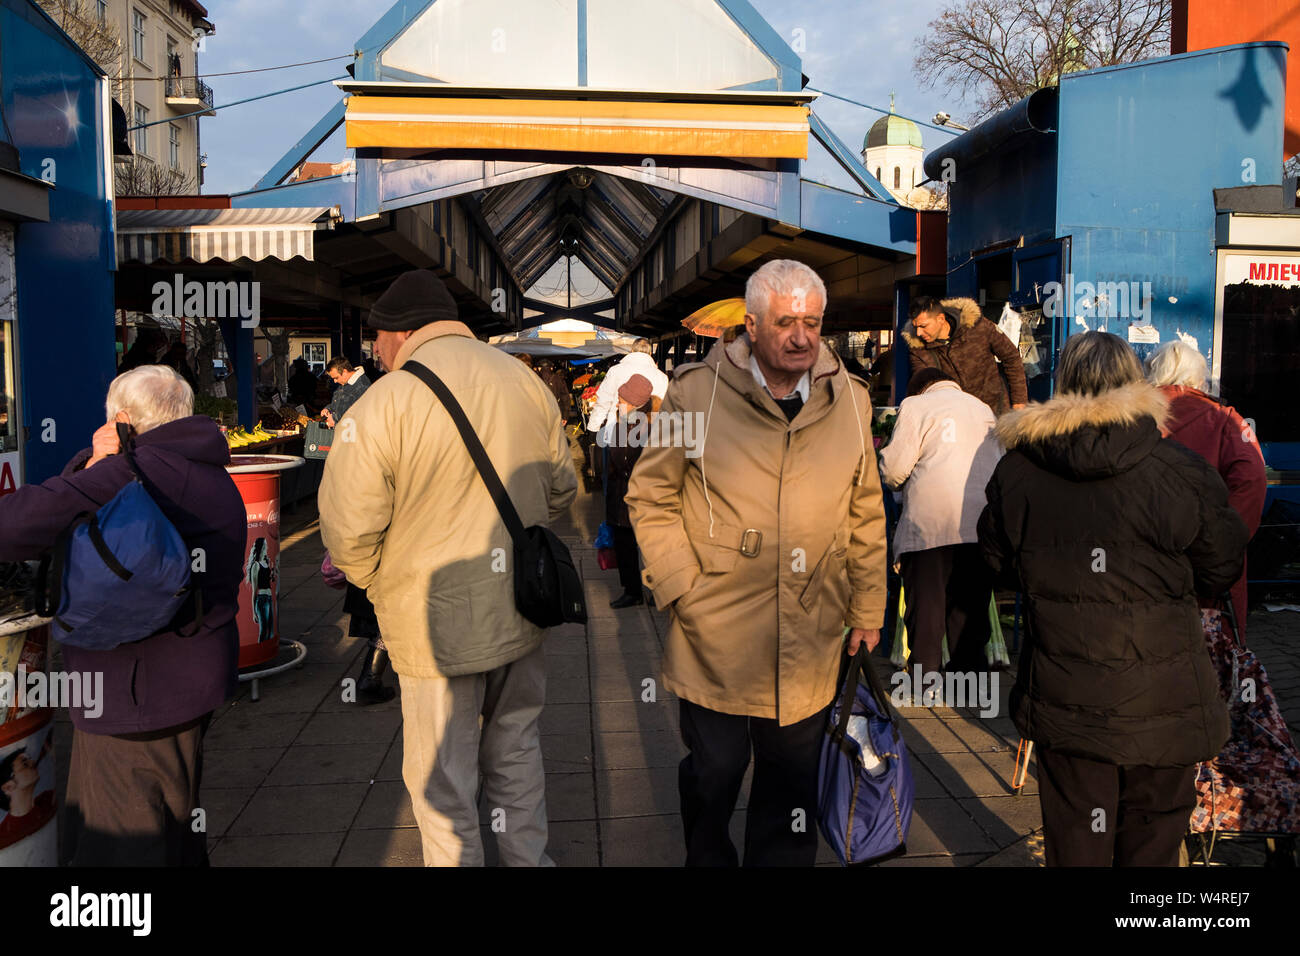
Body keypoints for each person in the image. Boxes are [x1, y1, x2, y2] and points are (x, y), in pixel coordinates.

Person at [626, 258, 888, 867]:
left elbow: (866, 511)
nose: (801, 337)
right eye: (786, 322)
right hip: (714, 628)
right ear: (751, 324)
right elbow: (650, 495)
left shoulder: (849, 400)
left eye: (813, 322)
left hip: (812, 631)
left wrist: (868, 607)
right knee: (714, 772)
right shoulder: (696, 393)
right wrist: (681, 587)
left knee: (791, 784)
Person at [318, 269, 577, 867]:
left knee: (444, 778)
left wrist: (384, 587)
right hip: (521, 608)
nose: (375, 349)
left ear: (402, 333)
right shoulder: (524, 380)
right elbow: (562, 487)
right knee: (515, 754)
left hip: (432, 624)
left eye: (378, 336)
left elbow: (348, 527)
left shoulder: (383, 401)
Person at [978, 331, 1248, 867]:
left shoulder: (1019, 472)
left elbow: (997, 563)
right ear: (1135, 385)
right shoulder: (1179, 471)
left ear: (1062, 385)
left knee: (1077, 835)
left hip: (1066, 694)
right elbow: (1222, 564)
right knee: (1151, 843)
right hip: (1164, 697)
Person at [0, 365, 246, 866]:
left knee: (123, 842)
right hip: (188, 681)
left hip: (136, 693)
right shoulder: (203, 464)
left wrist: (96, 461)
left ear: (124, 421)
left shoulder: (139, 471)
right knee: (170, 825)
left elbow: (19, 524)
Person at [879, 368, 1002, 678]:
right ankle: (969, 684)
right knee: (970, 609)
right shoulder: (983, 409)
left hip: (929, 527)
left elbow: (894, 469)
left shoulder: (916, 406)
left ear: (920, 389)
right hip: (978, 525)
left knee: (927, 608)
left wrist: (896, 486)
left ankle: (923, 681)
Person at [1145, 340, 1266, 637]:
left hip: (1146, 563)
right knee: (1211, 658)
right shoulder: (1226, 420)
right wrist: (1222, 541)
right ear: (1199, 378)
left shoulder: (1134, 419)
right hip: (1210, 571)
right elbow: (1253, 480)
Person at [903, 295, 1028, 415]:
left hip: (995, 412)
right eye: (916, 327)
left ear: (941, 319)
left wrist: (1019, 403)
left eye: (923, 326)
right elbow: (925, 386)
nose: (919, 332)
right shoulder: (918, 349)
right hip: (953, 420)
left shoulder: (978, 327)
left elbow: (1011, 357)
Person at [604, 373, 656, 609]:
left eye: (621, 399)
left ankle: (638, 591)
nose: (617, 403)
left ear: (634, 402)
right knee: (633, 544)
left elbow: (622, 459)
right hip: (625, 496)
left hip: (634, 496)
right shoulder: (629, 422)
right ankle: (638, 590)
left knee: (641, 545)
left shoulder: (641, 425)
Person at [587, 338, 669, 442]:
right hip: (649, 434)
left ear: (632, 351)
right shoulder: (662, 377)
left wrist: (593, 428)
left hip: (617, 432)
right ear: (650, 354)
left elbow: (603, 401)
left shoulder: (615, 371)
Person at [322, 355, 371, 428]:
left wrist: (334, 419)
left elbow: (359, 415)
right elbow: (339, 403)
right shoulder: (346, 382)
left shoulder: (362, 386)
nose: (335, 381)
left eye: (336, 378)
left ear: (344, 372)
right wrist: (328, 409)